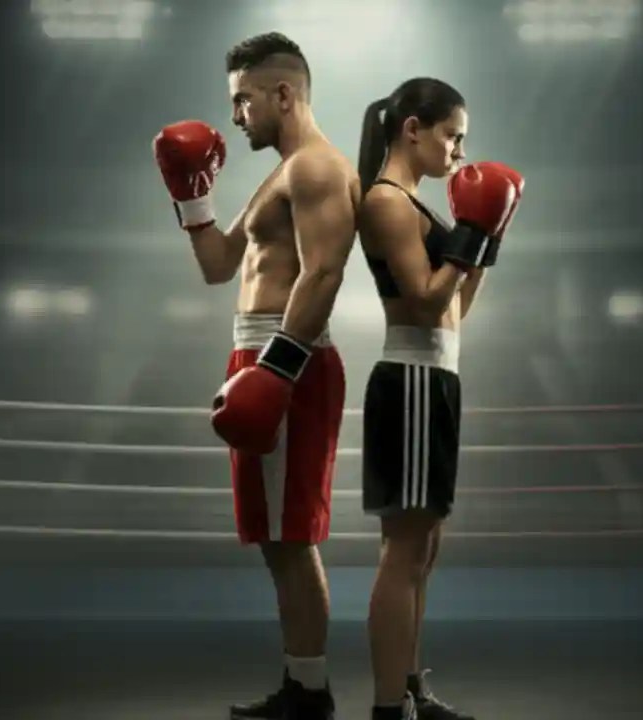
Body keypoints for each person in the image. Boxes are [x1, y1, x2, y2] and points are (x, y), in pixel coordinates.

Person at [152, 32, 360, 720]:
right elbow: (219, 265)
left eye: (243, 99)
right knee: (276, 539)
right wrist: (191, 196)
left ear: (283, 93)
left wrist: (277, 370)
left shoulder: (318, 169)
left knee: (292, 538)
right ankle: (302, 685)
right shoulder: (281, 174)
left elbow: (324, 272)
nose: (235, 115)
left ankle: (311, 694)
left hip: (284, 358)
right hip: (261, 355)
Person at [355, 78, 525, 720]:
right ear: (413, 130)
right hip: (412, 381)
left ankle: (409, 690)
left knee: (424, 549)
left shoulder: (424, 208)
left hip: (437, 379)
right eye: (452, 135)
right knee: (403, 550)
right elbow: (425, 300)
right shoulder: (387, 202)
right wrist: (471, 231)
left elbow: (456, 307)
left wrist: (481, 245)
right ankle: (385, 705)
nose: (459, 150)